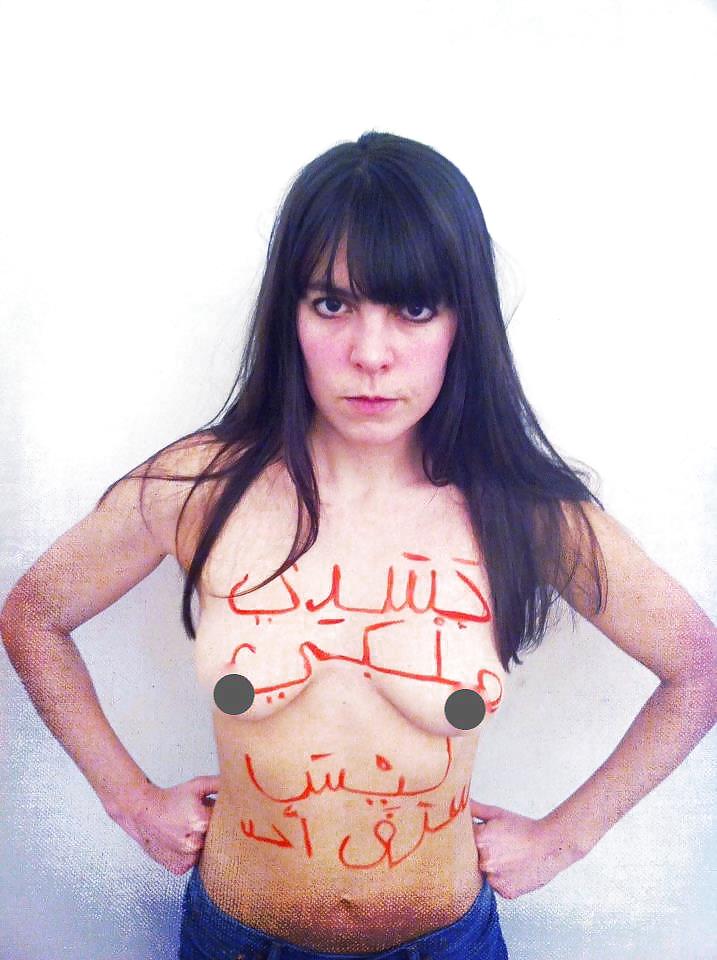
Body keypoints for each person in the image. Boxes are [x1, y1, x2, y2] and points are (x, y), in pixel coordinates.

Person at [1, 131, 715, 960]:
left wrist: (566, 837)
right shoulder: (201, 486)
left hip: (445, 943)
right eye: (332, 305)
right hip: (236, 939)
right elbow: (33, 614)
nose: (370, 355)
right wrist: (128, 800)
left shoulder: (522, 509)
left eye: (413, 309)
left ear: (463, 321)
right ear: (289, 315)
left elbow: (696, 666)